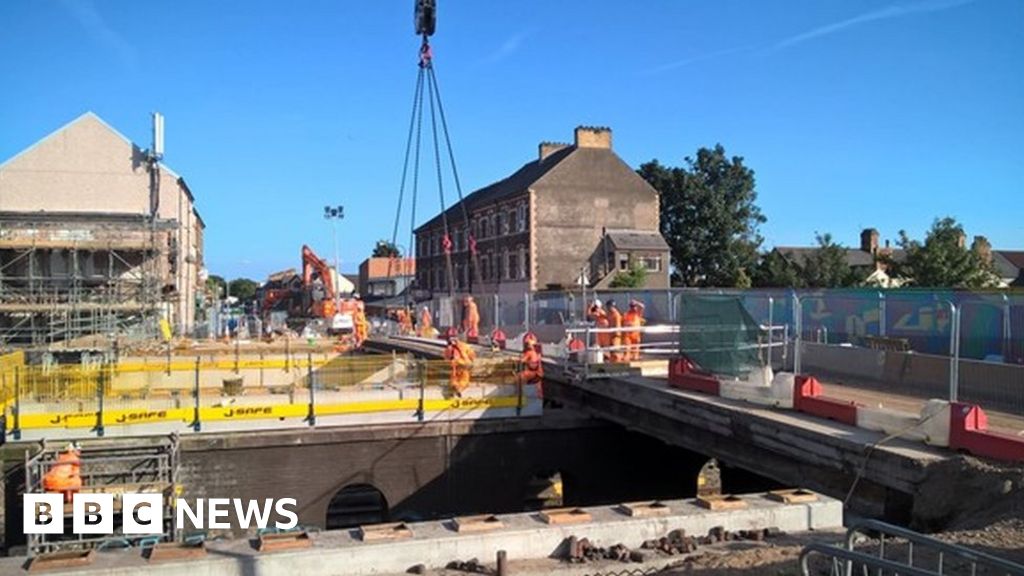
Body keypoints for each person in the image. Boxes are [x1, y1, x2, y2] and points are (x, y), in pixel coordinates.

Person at [518, 331, 544, 397]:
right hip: (539, 373)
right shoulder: (538, 352)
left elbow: (522, 361)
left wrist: (520, 358)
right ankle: (539, 395)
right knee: (538, 385)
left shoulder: (529, 352)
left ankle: (520, 395)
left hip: (534, 372)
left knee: (520, 376)